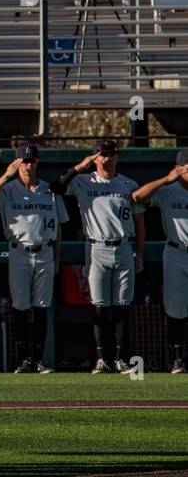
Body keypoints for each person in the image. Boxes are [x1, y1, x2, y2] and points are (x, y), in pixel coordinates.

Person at [50, 139, 144, 374]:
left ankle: (122, 359)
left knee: (122, 306)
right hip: (96, 247)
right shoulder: (83, 181)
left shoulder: (128, 184)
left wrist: (140, 254)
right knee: (100, 306)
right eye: (103, 154)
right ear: (95, 157)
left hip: (123, 245)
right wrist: (81, 166)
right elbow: (56, 187)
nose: (108, 159)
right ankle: (102, 359)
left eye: (111, 154)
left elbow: (139, 222)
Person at [0, 144, 67, 374]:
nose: (28, 165)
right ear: (17, 163)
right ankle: (24, 359)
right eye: (24, 161)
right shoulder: (8, 189)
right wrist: (6, 175)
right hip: (19, 250)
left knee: (41, 308)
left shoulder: (49, 190)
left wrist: (57, 259)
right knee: (20, 307)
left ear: (37, 162)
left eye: (32, 161)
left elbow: (58, 228)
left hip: (45, 251)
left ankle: (39, 359)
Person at [132, 150, 188, 374]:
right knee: (176, 309)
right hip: (176, 251)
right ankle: (178, 359)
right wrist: (167, 178)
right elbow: (137, 197)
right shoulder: (168, 191)